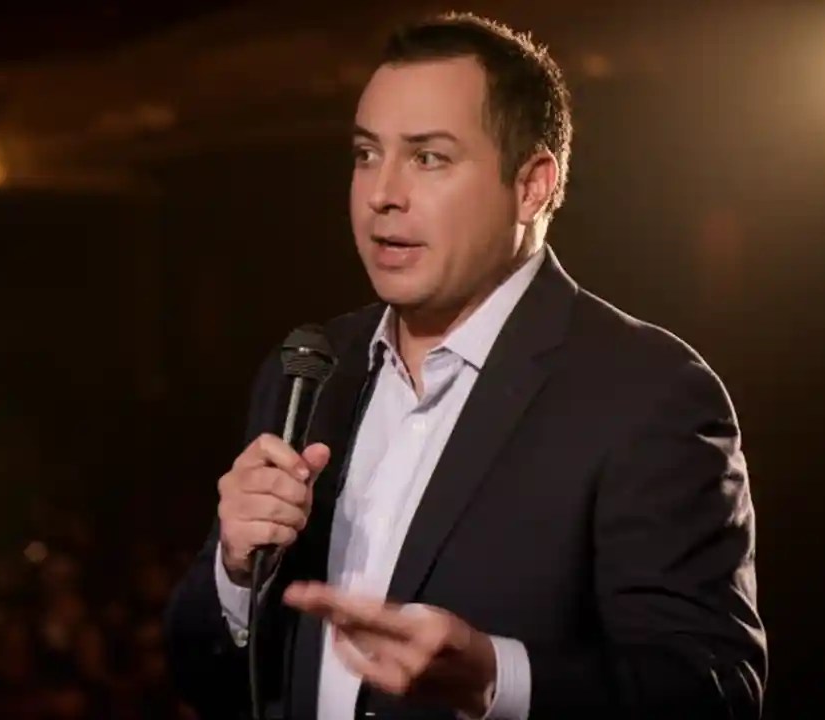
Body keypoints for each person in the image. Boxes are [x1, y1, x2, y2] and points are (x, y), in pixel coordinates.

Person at [164, 11, 766, 720]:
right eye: (365, 154)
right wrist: (237, 574)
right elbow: (199, 673)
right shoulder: (310, 370)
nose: (382, 192)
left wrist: (496, 679)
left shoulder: (648, 394)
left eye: (428, 157)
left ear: (534, 184)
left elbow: (713, 694)